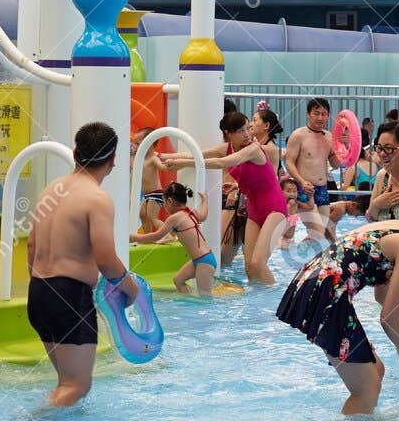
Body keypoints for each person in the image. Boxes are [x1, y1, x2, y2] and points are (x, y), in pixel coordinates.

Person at [273, 198, 399, 415]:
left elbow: (383, 297)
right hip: (325, 294)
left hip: (313, 284)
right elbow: (388, 317)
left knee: (376, 371)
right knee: (366, 390)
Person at [24, 122, 129, 407]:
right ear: (112, 160)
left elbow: (31, 245)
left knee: (65, 382)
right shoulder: (97, 199)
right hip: (69, 297)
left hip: (39, 293)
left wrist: (44, 288)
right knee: (76, 386)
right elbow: (106, 261)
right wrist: (132, 290)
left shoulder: (51, 189)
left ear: (75, 153)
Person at [165, 111, 288, 286]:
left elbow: (222, 163)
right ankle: (256, 301)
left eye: (248, 128)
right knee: (249, 268)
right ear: (228, 134)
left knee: (257, 264)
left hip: (274, 207)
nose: (247, 134)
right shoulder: (227, 149)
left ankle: (277, 299)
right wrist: (164, 157)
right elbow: (197, 154)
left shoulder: (253, 149)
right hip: (254, 208)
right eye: (241, 131)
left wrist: (182, 164)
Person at [130, 182, 213, 296]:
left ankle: (196, 302)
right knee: (178, 280)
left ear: (169, 201)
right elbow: (203, 216)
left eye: (164, 203)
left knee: (205, 297)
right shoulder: (191, 211)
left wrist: (133, 237)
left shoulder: (174, 218)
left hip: (203, 261)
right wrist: (205, 200)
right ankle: (191, 299)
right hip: (202, 258)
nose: (164, 207)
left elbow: (156, 236)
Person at [283, 97, 339, 243]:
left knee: (320, 233)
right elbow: (289, 162)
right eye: (316, 113)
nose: (320, 117)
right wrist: (301, 182)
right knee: (318, 232)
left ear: (328, 116)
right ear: (308, 114)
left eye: (324, 114)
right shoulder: (298, 135)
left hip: (322, 189)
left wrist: (343, 149)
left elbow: (335, 164)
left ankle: (305, 252)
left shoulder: (330, 137)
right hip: (304, 189)